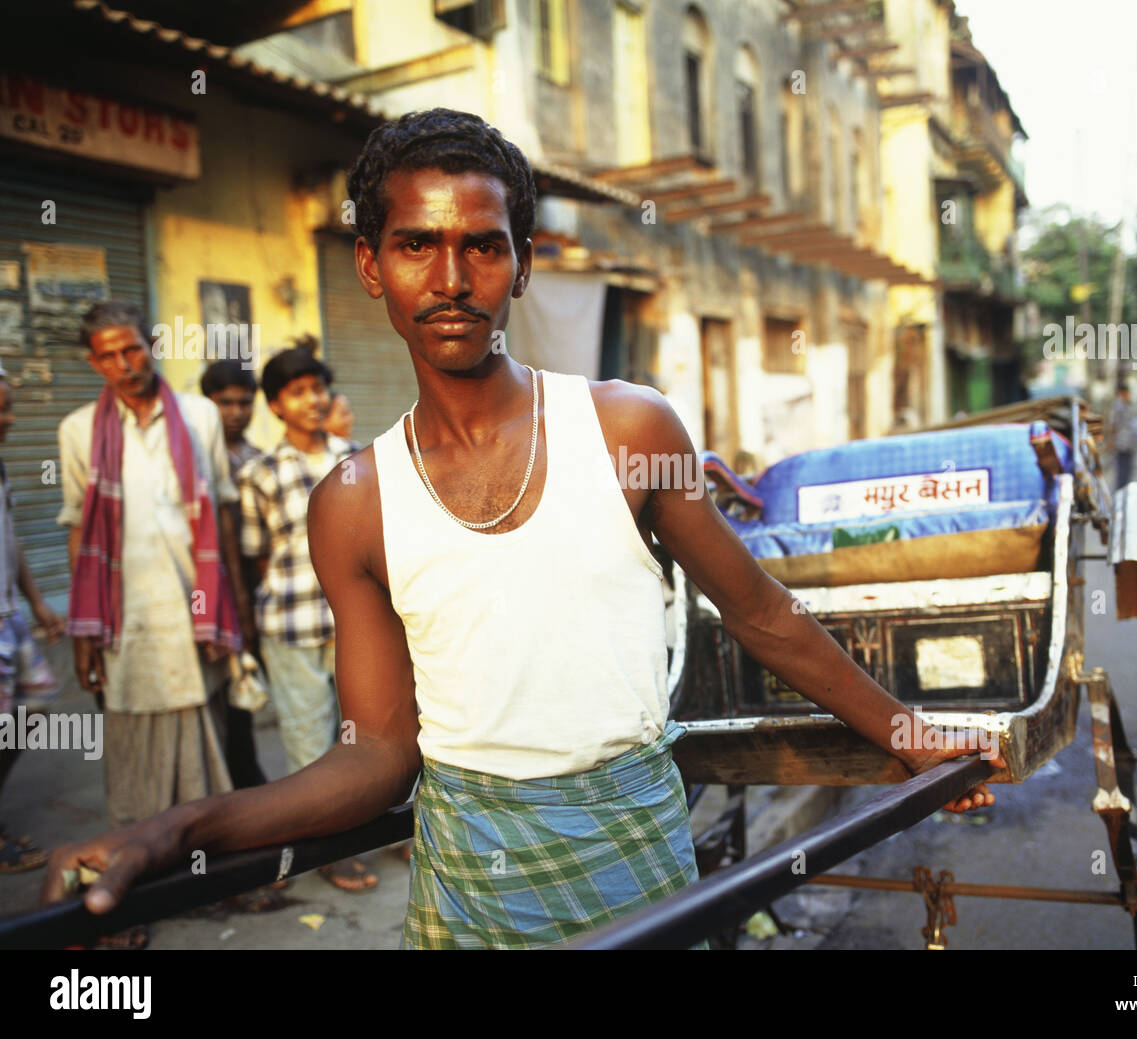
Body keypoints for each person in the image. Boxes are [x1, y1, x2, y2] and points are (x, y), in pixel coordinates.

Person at [43, 110, 998, 949]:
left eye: (484, 245)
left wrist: (912, 733)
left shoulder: (628, 430)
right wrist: (177, 829)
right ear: (371, 266)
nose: (452, 278)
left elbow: (760, 612)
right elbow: (376, 753)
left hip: (636, 863)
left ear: (523, 262)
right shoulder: (353, 499)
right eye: (416, 244)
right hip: (466, 888)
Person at [57, 302, 253, 829]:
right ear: (95, 364)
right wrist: (82, 631)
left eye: (132, 349)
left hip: (195, 606)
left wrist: (236, 606)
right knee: (130, 731)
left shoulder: (198, 416)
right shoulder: (77, 432)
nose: (124, 364)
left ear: (151, 347)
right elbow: (80, 529)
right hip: (123, 613)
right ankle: (141, 853)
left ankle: (208, 854)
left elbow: (222, 513)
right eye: (109, 356)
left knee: (205, 722)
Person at [237, 347, 371, 891]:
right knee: (308, 741)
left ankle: (382, 830)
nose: (312, 400)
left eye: (317, 387)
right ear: (275, 405)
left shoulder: (356, 457)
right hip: (291, 626)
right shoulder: (260, 473)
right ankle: (326, 851)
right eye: (297, 392)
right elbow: (258, 554)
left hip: (358, 624)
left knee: (370, 736)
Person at [0, 365, 65, 873]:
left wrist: (37, 601)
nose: (11, 418)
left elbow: (11, 537)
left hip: (9, 617)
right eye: (1, 409)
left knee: (34, 705)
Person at [200, 360, 267, 789]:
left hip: (255, 582)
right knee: (217, 692)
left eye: (245, 403)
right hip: (215, 585)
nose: (236, 412)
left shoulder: (259, 458)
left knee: (247, 684)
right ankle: (227, 781)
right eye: (225, 403)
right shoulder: (199, 459)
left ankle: (245, 778)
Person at [1110, 382, 1136, 489]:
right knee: (1122, 469)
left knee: (1128, 468)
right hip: (1121, 442)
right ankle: (1121, 489)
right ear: (1122, 393)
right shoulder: (1118, 406)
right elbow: (1113, 425)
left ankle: (1126, 488)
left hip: (1129, 442)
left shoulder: (1127, 404)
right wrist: (1111, 442)